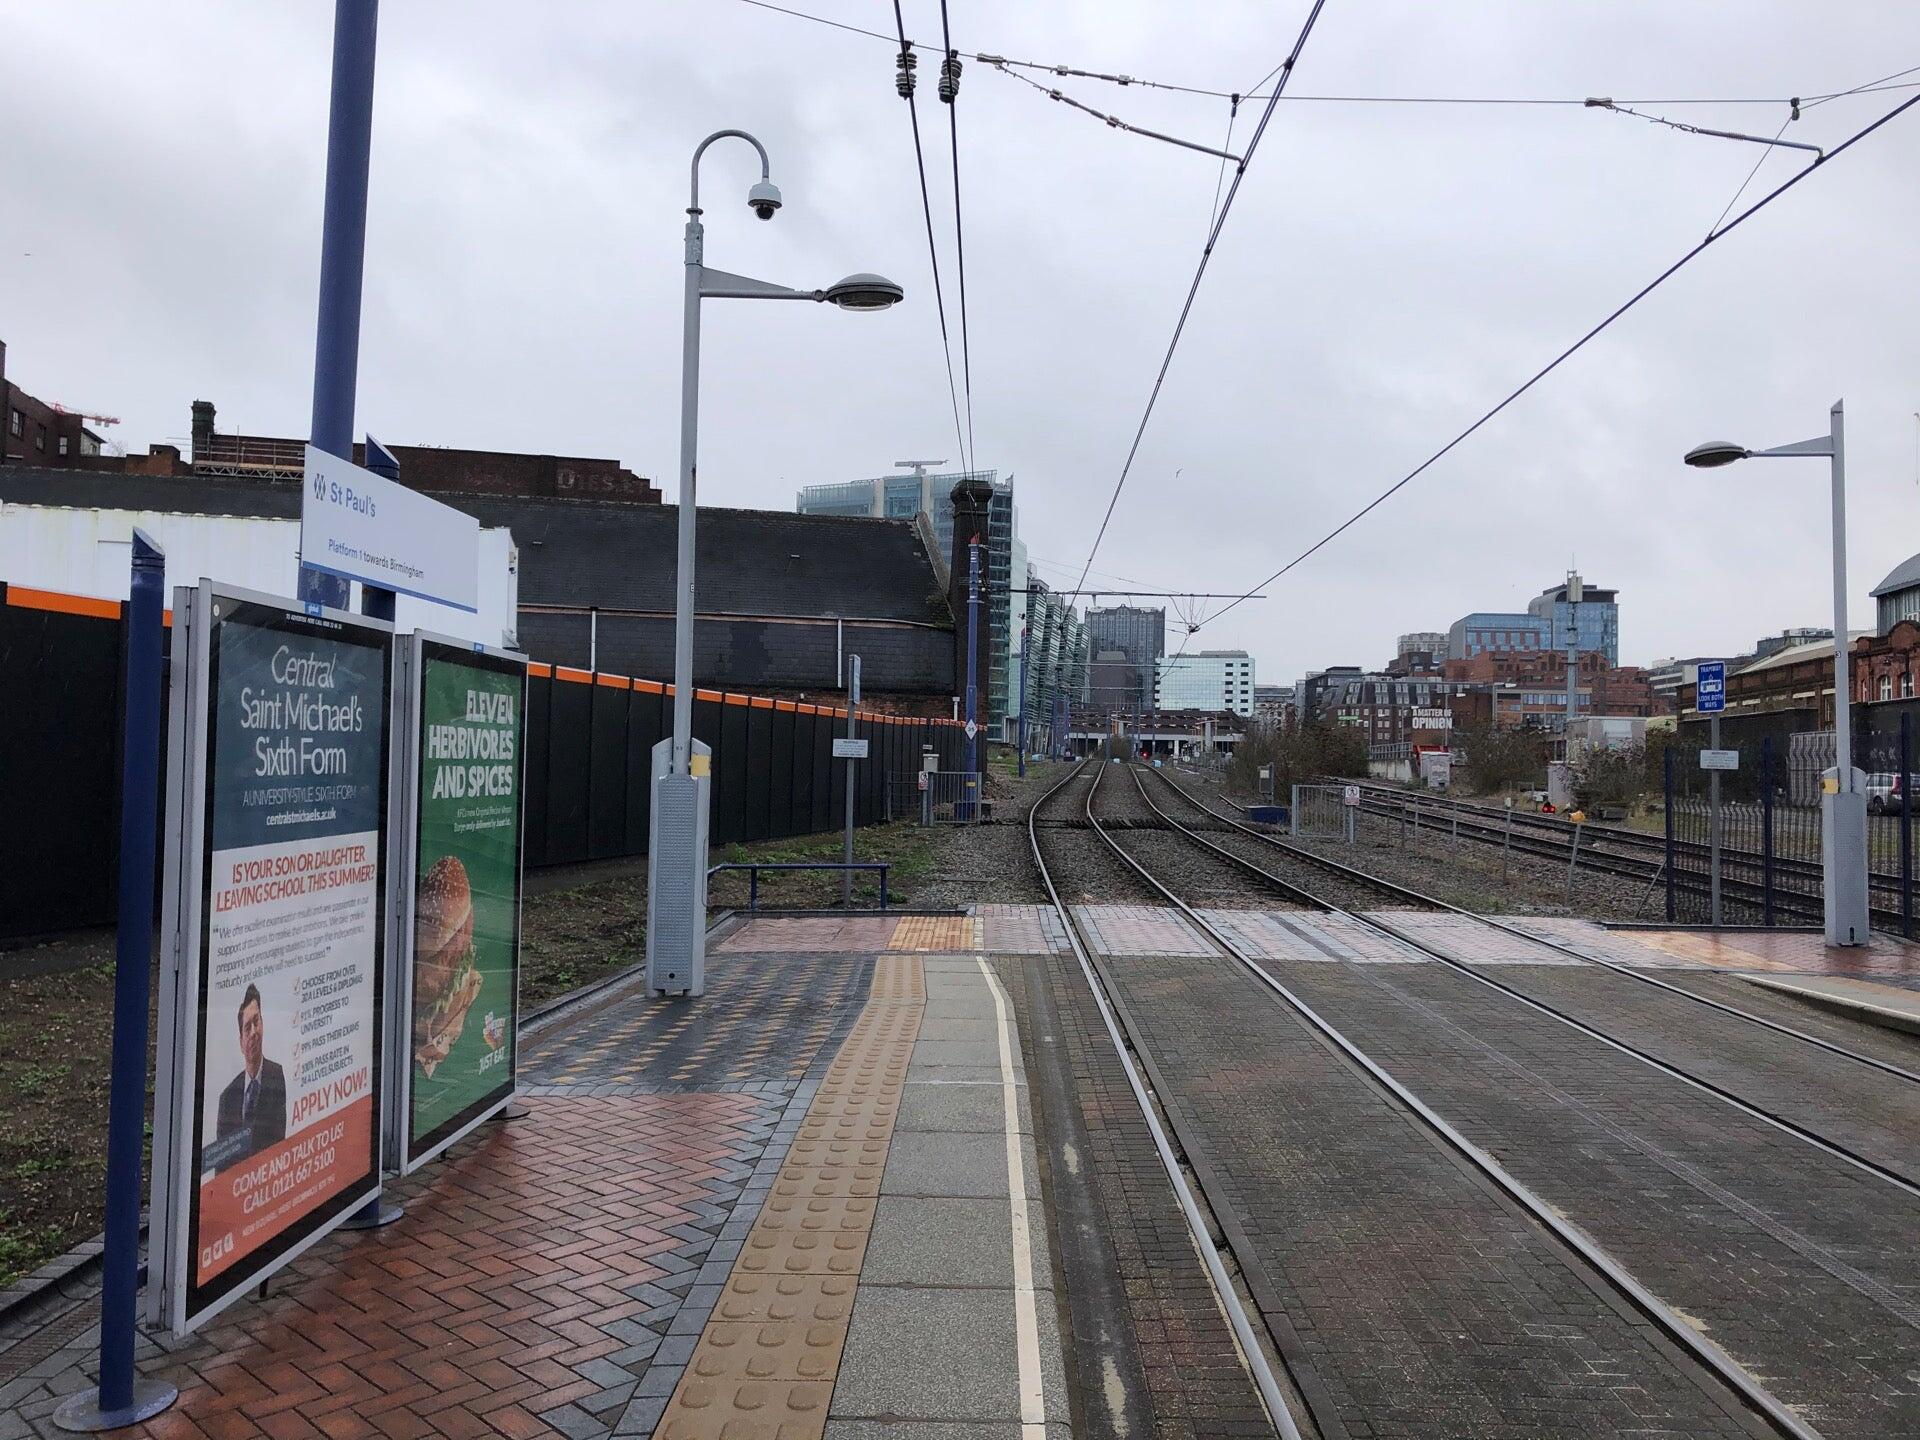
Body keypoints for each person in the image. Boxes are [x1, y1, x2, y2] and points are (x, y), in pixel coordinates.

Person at [214, 984, 287, 1163]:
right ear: (241, 1042)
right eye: (247, 1027)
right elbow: (221, 1163)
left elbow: (278, 1144)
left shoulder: (276, 1075)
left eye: (257, 1021)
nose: (254, 1032)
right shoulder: (227, 1098)